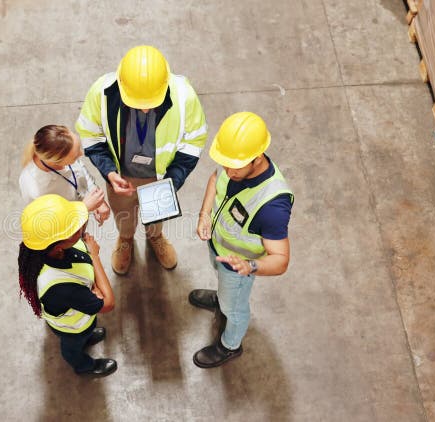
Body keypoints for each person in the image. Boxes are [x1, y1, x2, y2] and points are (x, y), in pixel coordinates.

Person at [76, 45, 207, 274]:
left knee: (156, 217)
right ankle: (125, 239)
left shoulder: (184, 96)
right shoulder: (102, 93)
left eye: (151, 102)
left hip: (160, 176)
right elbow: (90, 136)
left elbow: (194, 141)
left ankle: (155, 237)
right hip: (120, 176)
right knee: (123, 214)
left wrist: (172, 181)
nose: (146, 109)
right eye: (138, 103)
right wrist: (109, 172)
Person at [189, 112, 294, 368]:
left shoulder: (272, 205)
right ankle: (221, 299)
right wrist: (204, 215)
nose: (227, 170)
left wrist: (251, 267)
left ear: (257, 158)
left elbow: (280, 260)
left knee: (235, 309)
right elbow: (215, 179)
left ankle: (230, 345)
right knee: (224, 288)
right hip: (219, 246)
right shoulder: (234, 162)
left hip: (239, 267)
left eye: (233, 166)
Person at [18, 194, 117, 377]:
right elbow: (108, 303)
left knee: (87, 331)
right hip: (73, 327)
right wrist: (94, 256)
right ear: (58, 246)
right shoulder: (60, 287)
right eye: (74, 228)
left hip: (82, 312)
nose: (81, 226)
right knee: (73, 346)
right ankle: (84, 366)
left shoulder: (49, 249)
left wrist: (95, 288)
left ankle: (88, 336)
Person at [19, 124, 111, 225]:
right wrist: (84, 208)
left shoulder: (63, 145)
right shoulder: (35, 190)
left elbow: (81, 170)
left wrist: (94, 195)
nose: (81, 154)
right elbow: (51, 224)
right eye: (75, 156)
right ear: (57, 161)